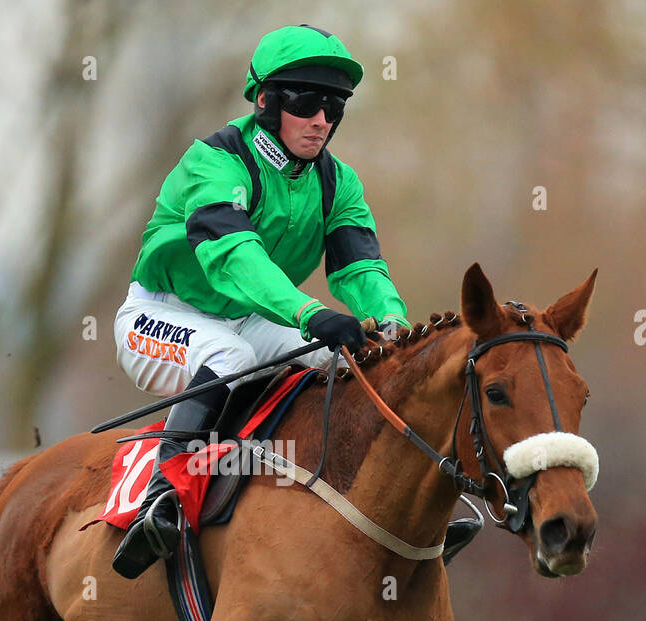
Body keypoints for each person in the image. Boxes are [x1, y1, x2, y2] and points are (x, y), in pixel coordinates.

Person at [111, 24, 477, 579]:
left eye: (335, 106)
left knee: (350, 360)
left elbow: (360, 267)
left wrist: (393, 327)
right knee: (231, 358)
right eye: (307, 101)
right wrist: (310, 313)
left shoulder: (337, 182)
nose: (322, 119)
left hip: (249, 320)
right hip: (160, 315)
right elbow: (237, 257)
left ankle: (404, 503)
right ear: (266, 101)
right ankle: (163, 496)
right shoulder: (214, 162)